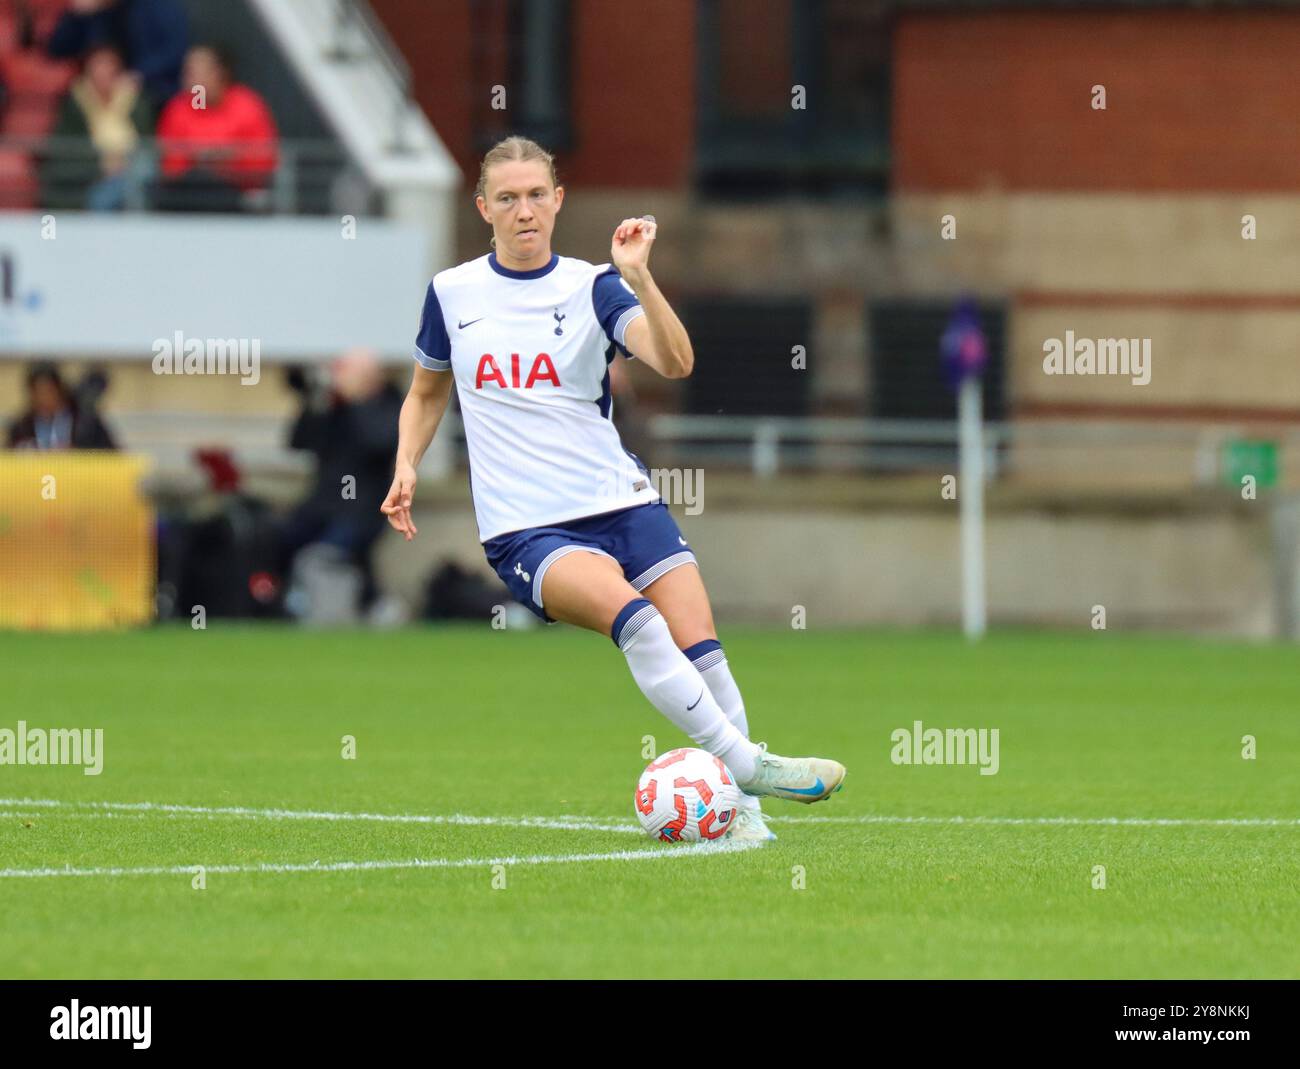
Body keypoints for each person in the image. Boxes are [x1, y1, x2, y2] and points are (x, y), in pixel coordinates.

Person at [380, 136, 846, 843]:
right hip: (527, 526)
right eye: (507, 198)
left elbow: (676, 360)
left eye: (537, 194)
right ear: (483, 208)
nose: (524, 210)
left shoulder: (594, 284)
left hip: (623, 502)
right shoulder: (453, 292)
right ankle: (749, 765)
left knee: (703, 650)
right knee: (638, 620)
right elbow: (424, 391)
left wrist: (641, 278)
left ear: (558, 200)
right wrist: (406, 461)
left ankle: (746, 822)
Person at [282, 348, 402, 613]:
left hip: (364, 510)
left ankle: (364, 606)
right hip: (323, 504)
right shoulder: (333, 407)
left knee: (334, 552)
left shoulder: (390, 404)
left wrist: (355, 401)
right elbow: (297, 442)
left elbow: (378, 442)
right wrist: (313, 400)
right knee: (282, 538)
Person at [153, 44, 277, 212]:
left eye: (196, 73)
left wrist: (227, 158)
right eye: (187, 72)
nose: (188, 79)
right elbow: (168, 164)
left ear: (219, 73)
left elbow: (264, 161)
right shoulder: (179, 108)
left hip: (236, 193)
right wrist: (198, 158)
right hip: (187, 194)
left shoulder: (247, 105)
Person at [39, 43, 152, 211]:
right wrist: (100, 165)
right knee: (105, 196)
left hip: (133, 166)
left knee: (138, 175)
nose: (103, 72)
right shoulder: (74, 104)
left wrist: (123, 163)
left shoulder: (135, 100)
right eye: (98, 66)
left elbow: (148, 141)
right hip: (94, 175)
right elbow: (67, 151)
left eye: (109, 66)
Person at [46, 0, 188, 109]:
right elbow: (56, 50)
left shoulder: (157, 7)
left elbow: (175, 50)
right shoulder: (94, 12)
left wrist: (139, 75)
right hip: (96, 93)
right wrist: (74, 16)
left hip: (149, 92)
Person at [7, 363, 116, 450]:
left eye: (48, 391)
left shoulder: (87, 424)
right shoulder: (21, 428)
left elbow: (112, 458)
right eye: (38, 393)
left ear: (59, 391)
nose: (43, 398)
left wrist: (77, 454)